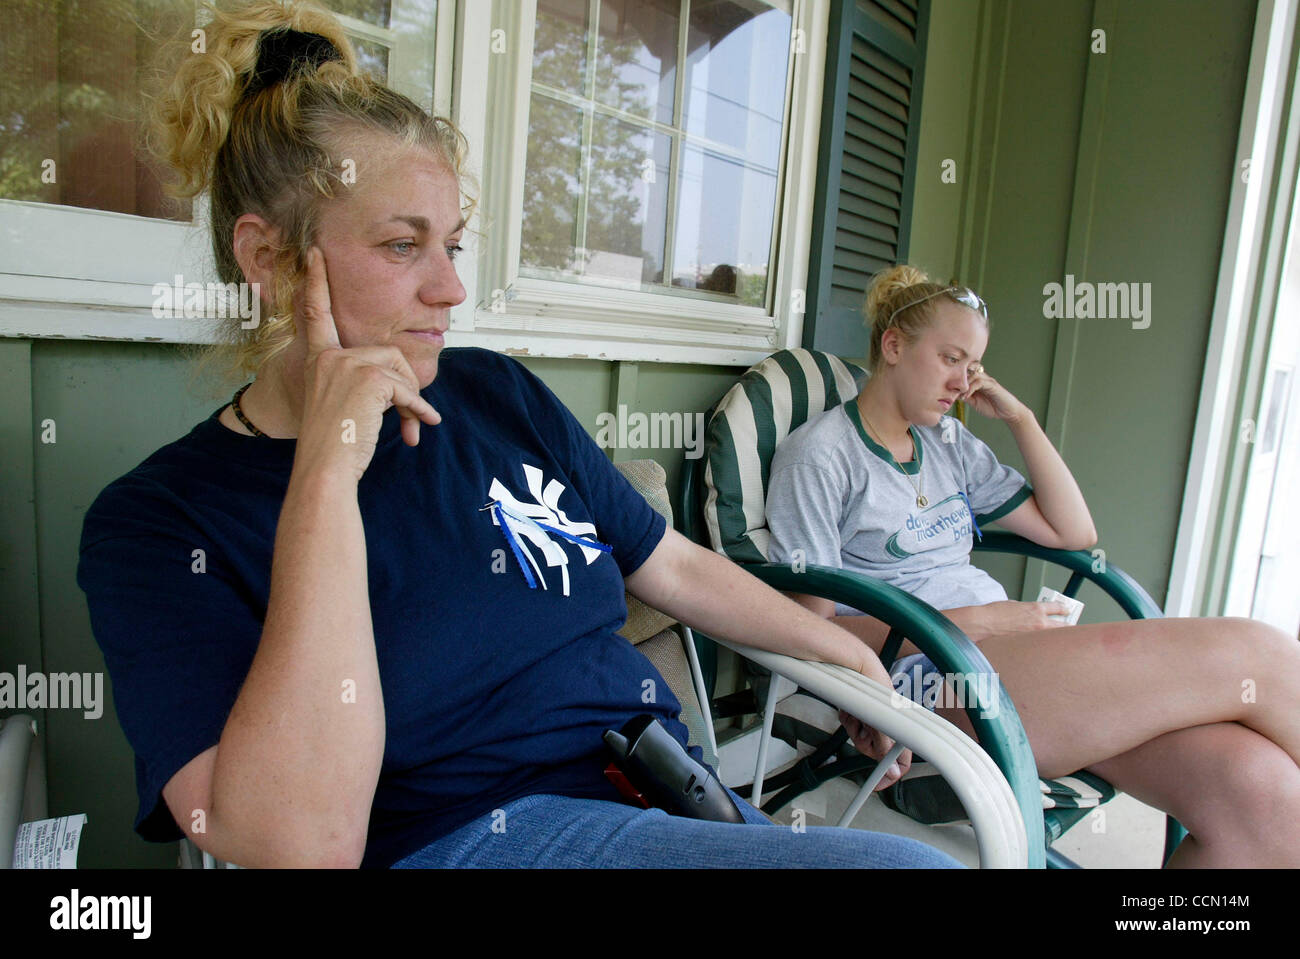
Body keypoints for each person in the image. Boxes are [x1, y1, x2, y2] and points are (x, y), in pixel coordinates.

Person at [75, 0, 961, 870]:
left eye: (451, 246)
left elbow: (674, 565)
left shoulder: (492, 393)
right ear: (268, 259)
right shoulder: (161, 523)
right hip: (468, 837)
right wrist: (326, 473)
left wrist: (849, 649)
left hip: (671, 796)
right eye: (400, 246)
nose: (451, 291)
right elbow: (303, 847)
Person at [764, 263, 1300, 868]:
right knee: (1263, 655)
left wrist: (1022, 420)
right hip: (937, 675)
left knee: (1263, 795)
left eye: (973, 366)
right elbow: (812, 637)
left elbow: (1074, 532)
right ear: (894, 346)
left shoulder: (946, 443)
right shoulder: (820, 458)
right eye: (950, 358)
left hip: (1017, 664)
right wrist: (983, 622)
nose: (964, 382)